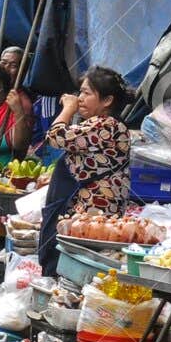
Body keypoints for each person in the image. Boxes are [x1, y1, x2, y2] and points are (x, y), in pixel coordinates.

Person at [38, 66, 132, 274]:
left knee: (80, 275)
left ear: (107, 100)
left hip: (93, 221)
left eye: (86, 93)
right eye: (79, 92)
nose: (79, 98)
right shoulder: (97, 125)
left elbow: (56, 137)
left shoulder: (108, 126)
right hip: (85, 219)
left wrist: (67, 109)